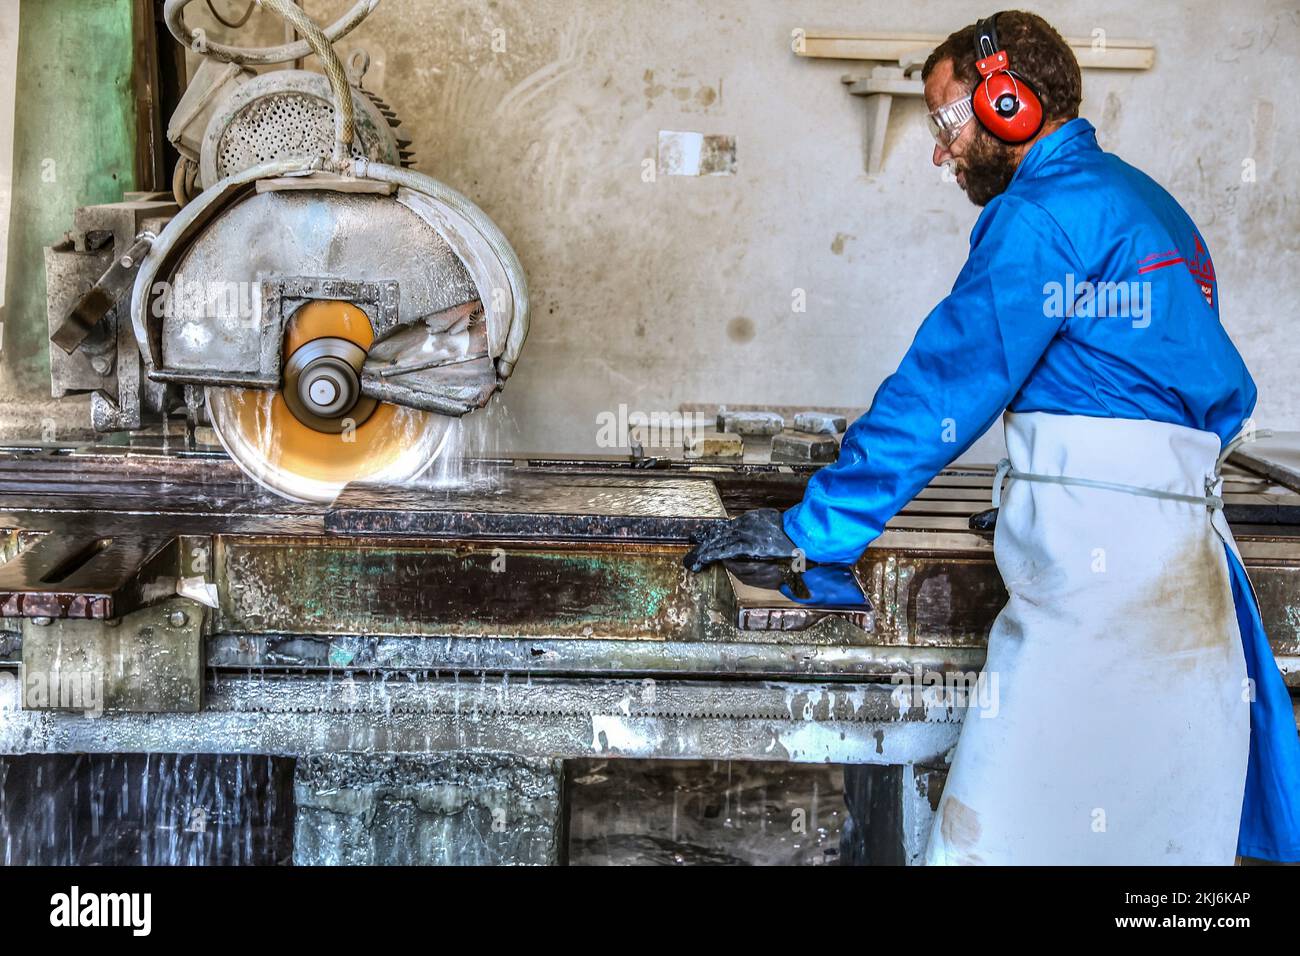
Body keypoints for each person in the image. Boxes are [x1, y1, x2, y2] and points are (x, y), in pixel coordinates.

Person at [684, 10, 1299, 864]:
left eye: (945, 122)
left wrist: (813, 527)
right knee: (1156, 841)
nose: (941, 152)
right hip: (1175, 563)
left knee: (1004, 840)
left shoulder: (1042, 216)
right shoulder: (1150, 203)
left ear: (1009, 103)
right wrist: (1047, 488)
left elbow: (950, 382)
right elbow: (1142, 394)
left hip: (1102, 594)